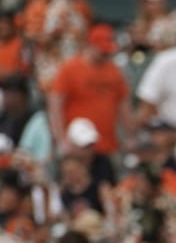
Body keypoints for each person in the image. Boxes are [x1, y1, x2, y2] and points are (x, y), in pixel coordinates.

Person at [48, 24, 132, 159]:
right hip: (78, 145)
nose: (105, 55)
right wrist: (61, 139)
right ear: (90, 46)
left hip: (107, 145)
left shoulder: (114, 71)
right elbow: (55, 106)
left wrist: (130, 135)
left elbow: (124, 105)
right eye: (102, 51)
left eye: (107, 52)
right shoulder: (70, 69)